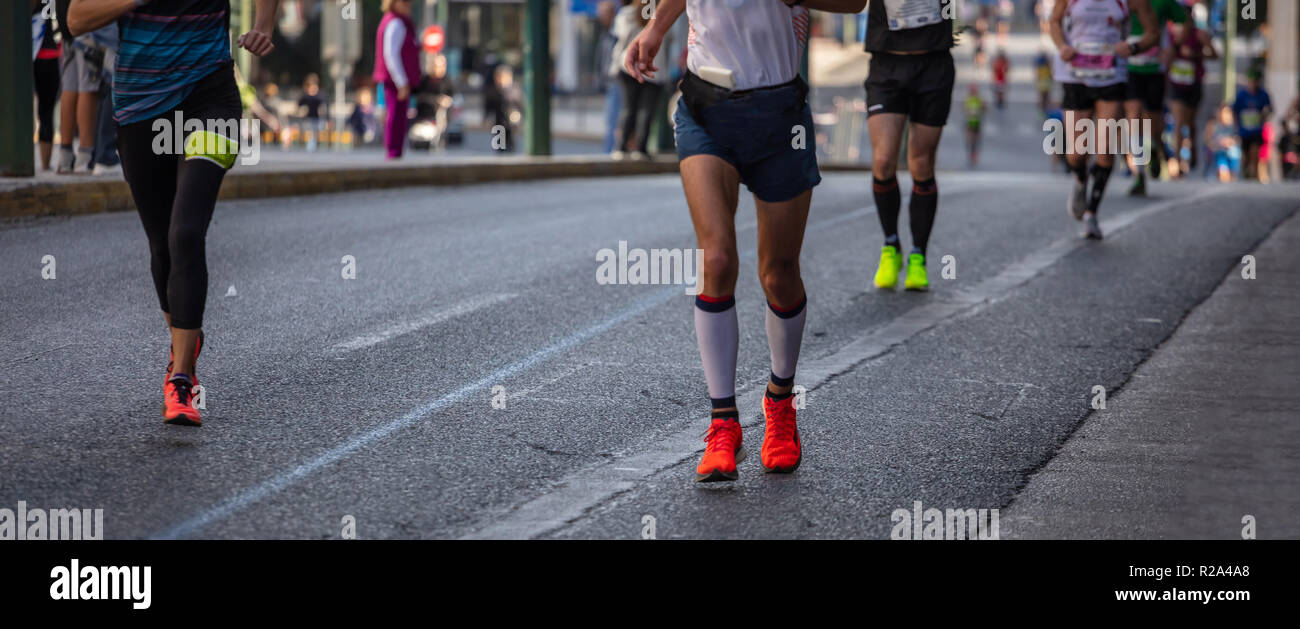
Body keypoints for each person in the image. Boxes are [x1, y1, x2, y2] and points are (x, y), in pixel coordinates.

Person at [623, 0, 865, 483]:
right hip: (706, 110)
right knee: (716, 258)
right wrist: (654, 30)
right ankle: (723, 424)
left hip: (780, 118)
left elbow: (853, 3)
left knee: (779, 274)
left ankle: (779, 403)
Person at [68, 0, 279, 427]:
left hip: (211, 97)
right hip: (141, 105)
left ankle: (181, 379)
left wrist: (263, 25)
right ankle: (184, 342)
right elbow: (76, 18)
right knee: (163, 243)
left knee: (186, 232)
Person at [864, 0, 955, 292]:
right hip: (887, 62)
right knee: (883, 160)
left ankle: (918, 255)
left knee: (922, 162)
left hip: (933, 63)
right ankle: (891, 245)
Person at [1050, 0, 1158, 240]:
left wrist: (1133, 48)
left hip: (1112, 76)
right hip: (1075, 75)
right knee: (1077, 153)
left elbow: (1153, 34)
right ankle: (1080, 179)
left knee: (1105, 147)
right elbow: (1054, 21)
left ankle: (1091, 214)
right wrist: (1061, 46)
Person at [1123, 0, 1185, 193]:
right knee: (1133, 116)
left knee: (1154, 124)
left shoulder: (1163, 1)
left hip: (1154, 67)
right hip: (1130, 66)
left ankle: (1157, 147)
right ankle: (1139, 174)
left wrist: (1173, 48)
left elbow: (1185, 21)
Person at [54, 0, 114, 174]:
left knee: (70, 86)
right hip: (87, 28)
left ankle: (65, 155)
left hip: (66, 25)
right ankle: (85, 155)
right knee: (88, 88)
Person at [611, 3, 669, 160]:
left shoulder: (627, 13)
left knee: (628, 107)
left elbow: (619, 38)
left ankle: (621, 148)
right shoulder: (660, 14)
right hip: (653, 68)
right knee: (646, 110)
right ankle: (641, 149)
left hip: (628, 65)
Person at [1164, 17, 1214, 180]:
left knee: (1190, 123)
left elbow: (1214, 54)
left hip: (1194, 85)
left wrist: (1196, 54)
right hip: (1176, 85)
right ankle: (1178, 162)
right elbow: (1164, 57)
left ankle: (1192, 151)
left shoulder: (1199, 35)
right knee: (1179, 123)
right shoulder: (1172, 36)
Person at [374, 0, 420, 160]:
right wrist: (401, 82)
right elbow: (391, 55)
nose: (408, 5)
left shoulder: (400, 22)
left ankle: (396, 152)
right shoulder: (395, 23)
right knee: (395, 116)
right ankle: (393, 152)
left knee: (400, 116)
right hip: (396, 80)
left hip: (398, 80)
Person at [32, 2, 61, 172]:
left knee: (44, 112)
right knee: (46, 112)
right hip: (48, 52)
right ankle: (44, 165)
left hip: (31, 52)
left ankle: (44, 164)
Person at [1232, 69, 1272, 182]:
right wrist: (1236, 125)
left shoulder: (1263, 94)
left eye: (1255, 81)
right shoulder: (1241, 95)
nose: (1253, 84)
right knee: (1245, 155)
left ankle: (1254, 174)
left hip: (1257, 130)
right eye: (1251, 81)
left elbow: (1270, 108)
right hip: (1244, 130)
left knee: (1255, 152)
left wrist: (1265, 115)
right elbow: (1234, 110)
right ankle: (1246, 170)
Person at [1205, 103, 1240, 182]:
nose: (1225, 116)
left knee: (1232, 176)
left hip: (1232, 155)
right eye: (1223, 113)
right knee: (1223, 174)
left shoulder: (1233, 127)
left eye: (1227, 113)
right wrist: (1216, 144)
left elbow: (1238, 139)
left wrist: (1231, 142)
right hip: (1220, 154)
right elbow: (1209, 141)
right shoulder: (1215, 127)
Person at [297, 74, 326, 152]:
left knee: (316, 133)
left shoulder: (320, 96)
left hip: (317, 118)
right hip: (308, 118)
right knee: (309, 133)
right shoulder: (306, 96)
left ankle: (314, 146)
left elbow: (323, 105)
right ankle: (309, 147)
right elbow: (299, 103)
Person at [964, 84, 986, 167]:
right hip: (970, 122)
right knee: (970, 139)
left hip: (977, 122)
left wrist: (981, 107)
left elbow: (985, 108)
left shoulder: (979, 99)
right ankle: (971, 153)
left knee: (976, 140)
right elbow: (965, 108)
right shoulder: (968, 99)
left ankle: (974, 153)